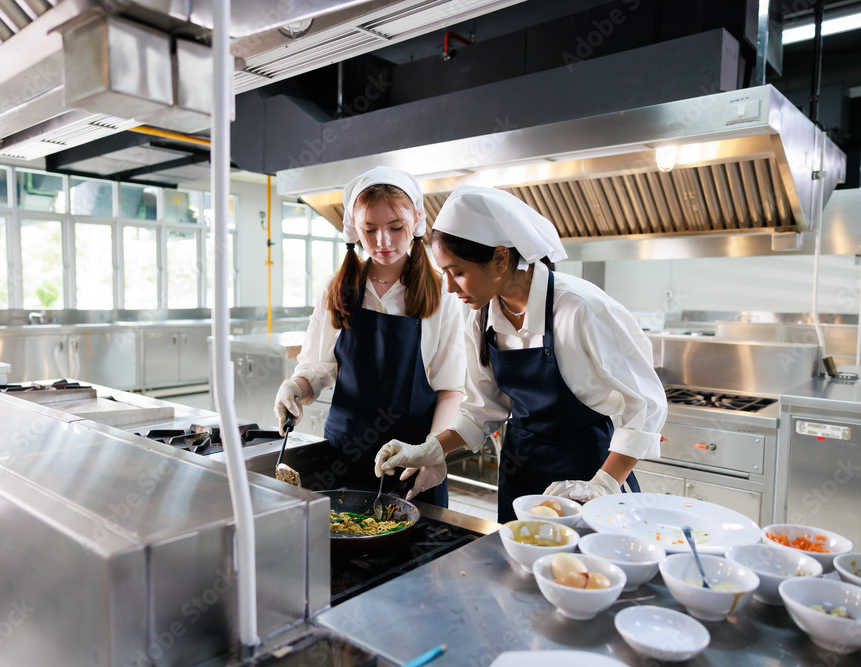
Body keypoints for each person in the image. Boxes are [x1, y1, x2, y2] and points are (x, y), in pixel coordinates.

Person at [374, 185, 667, 522]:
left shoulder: (580, 308)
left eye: (458, 272)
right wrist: (431, 449)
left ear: (500, 259)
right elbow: (482, 411)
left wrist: (603, 483)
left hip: (591, 474)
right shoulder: (482, 319)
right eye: (445, 274)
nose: (450, 287)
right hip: (521, 478)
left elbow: (646, 404)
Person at [273, 167, 466, 506]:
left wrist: (432, 451)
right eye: (370, 229)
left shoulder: (441, 292)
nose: (383, 242)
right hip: (344, 458)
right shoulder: (340, 288)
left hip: (412, 462)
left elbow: (450, 390)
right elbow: (317, 370)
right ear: (354, 227)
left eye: (395, 227)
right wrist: (293, 389)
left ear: (417, 219)